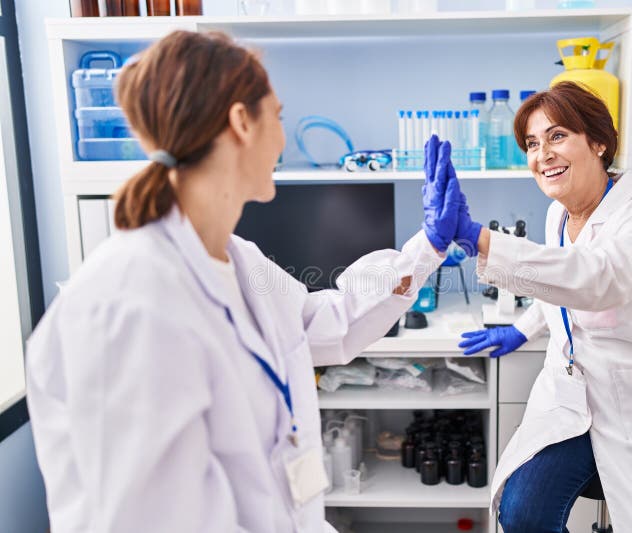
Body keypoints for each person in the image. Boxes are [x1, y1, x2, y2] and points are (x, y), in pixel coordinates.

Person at [25, 31, 464, 533]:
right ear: (240, 122)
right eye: (276, 116)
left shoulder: (239, 259)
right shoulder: (128, 306)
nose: (282, 134)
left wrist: (427, 248)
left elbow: (325, 323)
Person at [453, 82, 632, 532]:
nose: (542, 154)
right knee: (522, 512)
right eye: (532, 144)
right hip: (573, 403)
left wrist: (480, 239)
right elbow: (564, 284)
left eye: (557, 137)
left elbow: (598, 279)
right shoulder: (558, 214)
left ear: (598, 142)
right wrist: (524, 328)